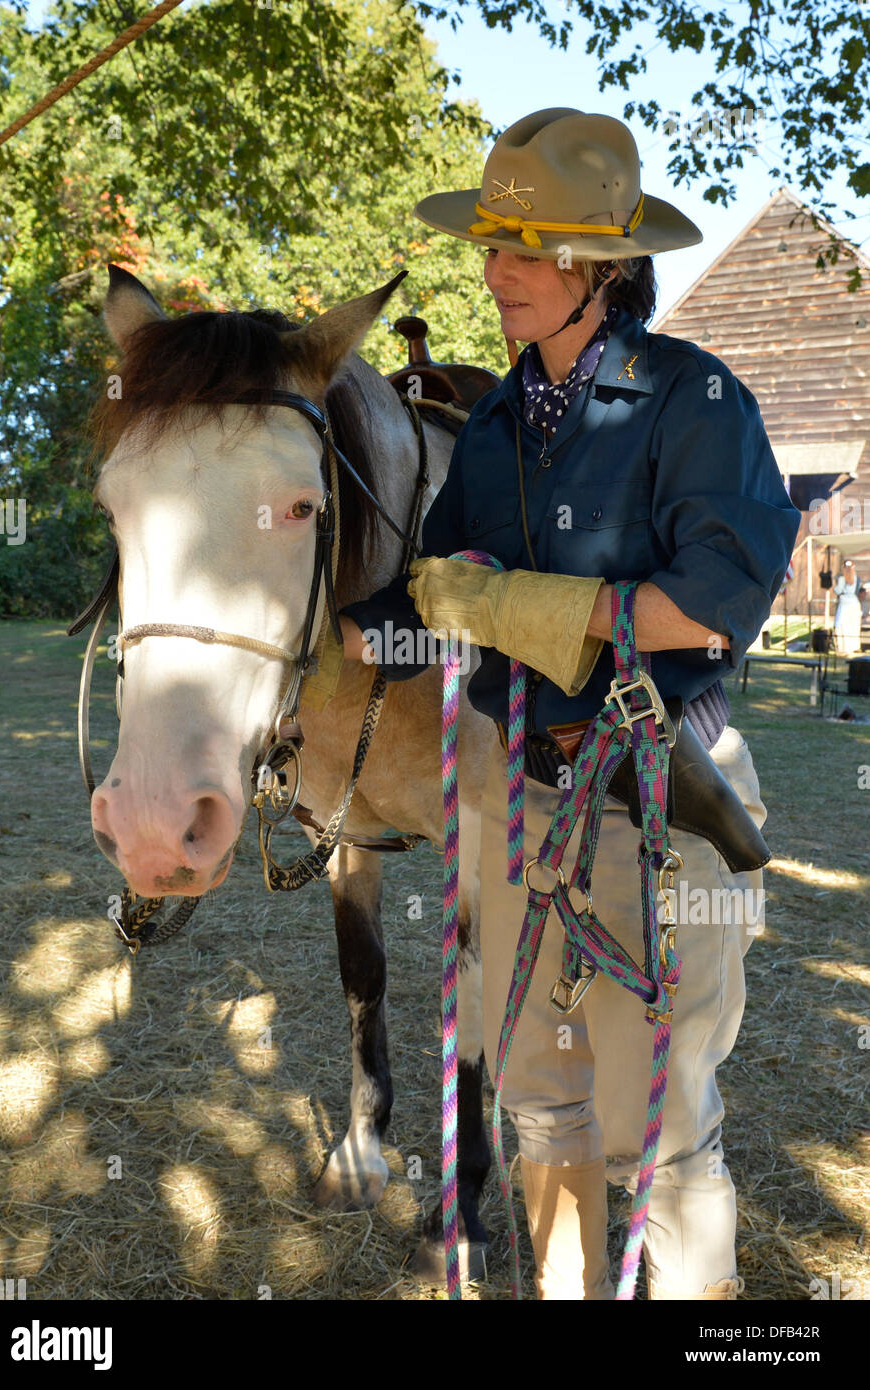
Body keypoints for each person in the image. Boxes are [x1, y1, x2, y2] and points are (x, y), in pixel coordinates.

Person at [338, 109, 801, 1300]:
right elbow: (436, 589)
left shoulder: (693, 400)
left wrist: (541, 610)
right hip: (525, 799)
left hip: (664, 798)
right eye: (492, 246)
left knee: (665, 1126)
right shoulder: (490, 426)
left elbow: (711, 607)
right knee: (540, 1105)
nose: (494, 272)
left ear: (599, 267)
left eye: (524, 249)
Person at [833, 559, 863, 656]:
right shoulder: (857, 579)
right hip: (854, 603)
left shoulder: (841, 579)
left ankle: (843, 648)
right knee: (851, 626)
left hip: (845, 604)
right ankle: (850, 647)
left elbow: (838, 590)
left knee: (842, 625)